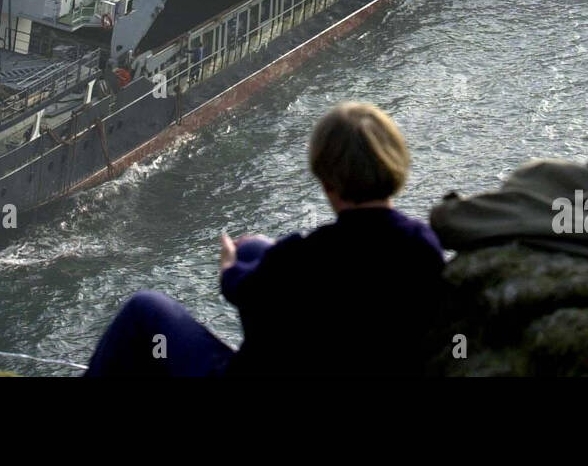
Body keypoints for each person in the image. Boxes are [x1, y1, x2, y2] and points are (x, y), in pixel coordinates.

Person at [84, 101, 445, 377]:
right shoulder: (422, 246)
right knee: (256, 250)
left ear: (326, 181)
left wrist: (229, 264)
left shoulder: (307, 255)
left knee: (145, 308)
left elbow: (240, 288)